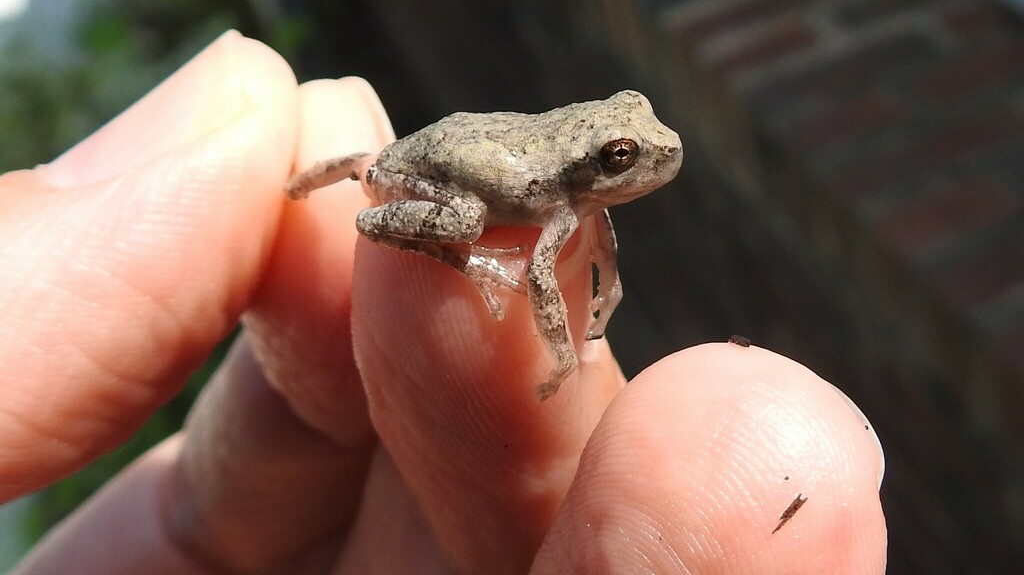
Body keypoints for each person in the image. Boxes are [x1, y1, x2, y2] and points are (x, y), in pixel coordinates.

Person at [2, 32, 886, 574]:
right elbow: (540, 277)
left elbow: (596, 253)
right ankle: (338, 189)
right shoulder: (559, 205)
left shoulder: (579, 203)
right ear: (594, 166)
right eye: (623, 156)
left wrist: (603, 290)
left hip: (469, 142)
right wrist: (557, 353)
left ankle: (322, 177)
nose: (653, 156)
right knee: (463, 223)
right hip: (446, 175)